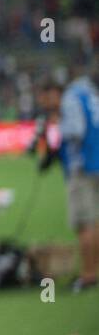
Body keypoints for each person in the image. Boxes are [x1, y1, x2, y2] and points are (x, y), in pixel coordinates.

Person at [59, 59, 99, 292]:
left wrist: (59, 126)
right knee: (95, 221)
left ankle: (88, 275)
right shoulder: (92, 94)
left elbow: (75, 131)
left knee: (84, 224)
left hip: (82, 166)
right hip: (97, 162)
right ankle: (94, 270)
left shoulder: (73, 96)